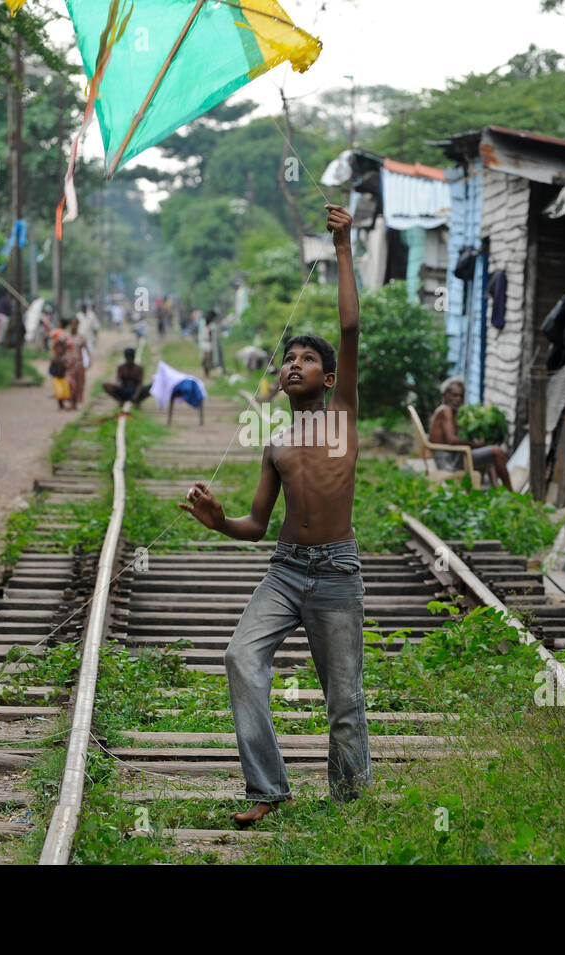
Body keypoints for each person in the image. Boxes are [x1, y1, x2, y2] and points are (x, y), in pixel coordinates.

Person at [180, 203, 366, 827]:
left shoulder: (342, 417)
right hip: (286, 571)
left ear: (329, 377)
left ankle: (350, 801)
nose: (294, 364)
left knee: (343, 700)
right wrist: (219, 521)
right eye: (288, 359)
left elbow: (349, 326)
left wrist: (341, 247)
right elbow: (255, 527)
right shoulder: (276, 443)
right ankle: (267, 786)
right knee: (240, 657)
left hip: (337, 572)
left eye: (306, 359)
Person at [428, 376, 512, 488]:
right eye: (455, 395)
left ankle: (497, 491)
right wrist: (476, 445)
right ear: (445, 395)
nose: (458, 399)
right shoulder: (445, 410)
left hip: (455, 456)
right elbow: (452, 440)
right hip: (450, 462)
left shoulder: (452, 412)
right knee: (497, 452)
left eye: (461, 396)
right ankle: (511, 493)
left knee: (490, 455)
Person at [49, 338, 72, 410]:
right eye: (58, 349)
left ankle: (66, 404)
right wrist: (52, 373)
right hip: (56, 378)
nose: (60, 350)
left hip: (63, 377)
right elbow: (51, 368)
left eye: (61, 349)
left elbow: (68, 366)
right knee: (59, 392)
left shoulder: (65, 359)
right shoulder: (54, 358)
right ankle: (60, 405)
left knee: (66, 392)